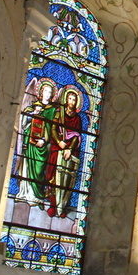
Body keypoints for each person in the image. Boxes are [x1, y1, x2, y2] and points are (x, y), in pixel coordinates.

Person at [16, 79, 58, 206]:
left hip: (43, 144)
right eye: (45, 90)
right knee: (27, 165)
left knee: (39, 169)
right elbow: (23, 121)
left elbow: (52, 128)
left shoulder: (52, 110)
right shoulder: (33, 106)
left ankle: (37, 194)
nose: (47, 93)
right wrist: (33, 114)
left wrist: (44, 140)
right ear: (40, 92)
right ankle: (25, 192)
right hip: (30, 141)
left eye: (50, 92)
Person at [47, 89, 84, 218]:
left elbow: (77, 135)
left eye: (74, 100)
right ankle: (53, 205)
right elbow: (53, 128)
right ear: (65, 100)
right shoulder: (59, 113)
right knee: (53, 175)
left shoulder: (77, 119)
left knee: (68, 179)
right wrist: (59, 142)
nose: (72, 102)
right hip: (57, 148)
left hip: (70, 150)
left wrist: (69, 148)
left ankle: (62, 206)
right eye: (70, 99)